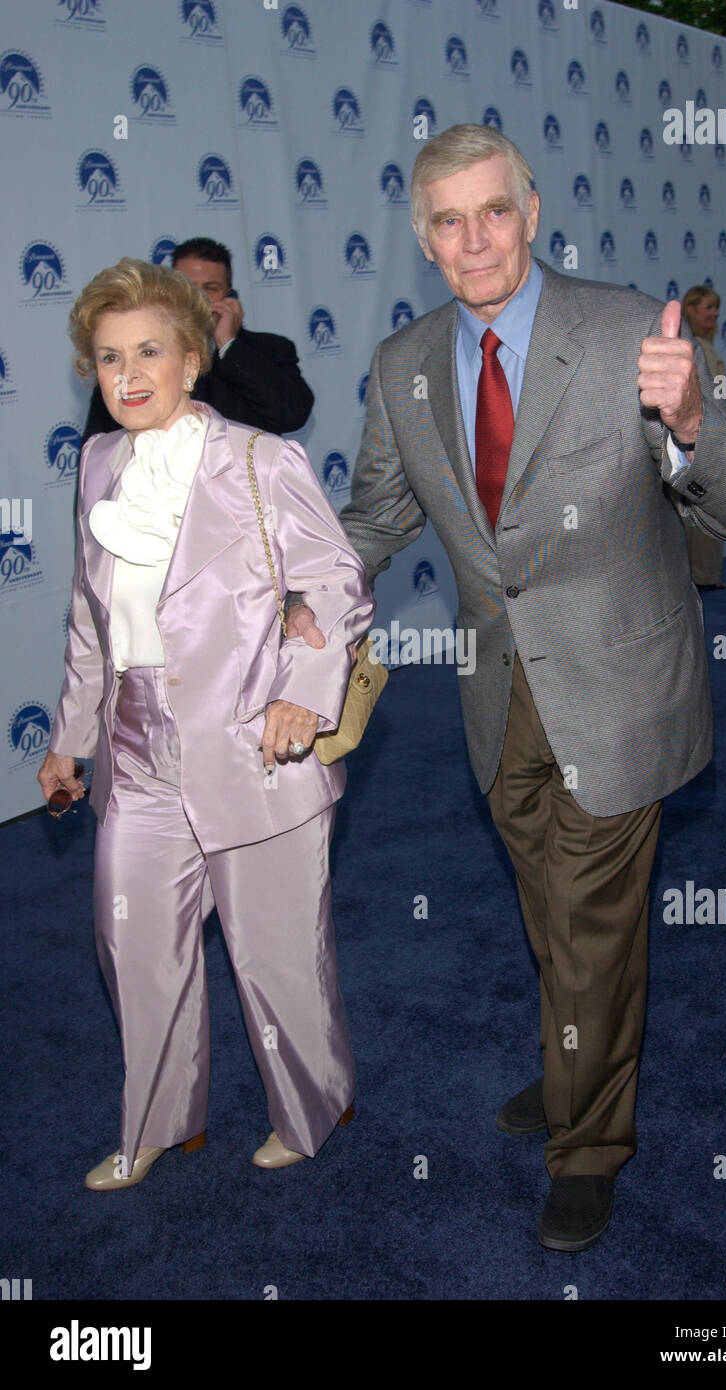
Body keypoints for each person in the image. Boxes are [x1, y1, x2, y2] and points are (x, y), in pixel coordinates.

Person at [287, 125, 726, 1251]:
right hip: (494, 692)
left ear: (533, 212)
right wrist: (305, 584)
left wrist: (692, 418)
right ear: (423, 238)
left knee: (593, 921)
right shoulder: (403, 362)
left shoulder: (628, 329)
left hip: (619, 682)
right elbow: (377, 513)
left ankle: (588, 1144)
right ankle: (574, 1060)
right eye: (448, 221)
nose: (474, 239)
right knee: (549, 912)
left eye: (492, 211)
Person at [37, 258, 373, 1189]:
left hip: (253, 745)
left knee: (274, 953)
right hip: (137, 751)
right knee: (132, 942)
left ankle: (314, 1102)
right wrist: (72, 737)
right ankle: (157, 1120)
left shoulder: (262, 461)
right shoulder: (100, 462)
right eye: (108, 358)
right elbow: (85, 617)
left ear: (191, 357)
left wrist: (304, 688)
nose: (129, 373)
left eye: (149, 350)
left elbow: (337, 583)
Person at [81, 238, 314, 443]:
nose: (199, 298)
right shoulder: (122, 369)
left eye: (211, 288)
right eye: (189, 287)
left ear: (230, 296)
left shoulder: (270, 350)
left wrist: (229, 345)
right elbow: (96, 468)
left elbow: (293, 415)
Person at [681, 286, 726, 589]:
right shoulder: (694, 348)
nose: (714, 313)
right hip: (700, 438)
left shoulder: (700, 346)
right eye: (708, 307)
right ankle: (702, 576)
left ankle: (704, 574)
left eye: (716, 307)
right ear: (691, 310)